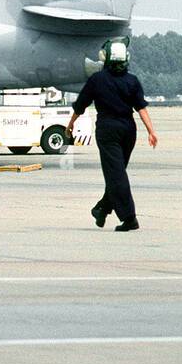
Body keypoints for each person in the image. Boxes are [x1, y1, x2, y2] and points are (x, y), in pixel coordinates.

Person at [67, 40, 158, 232]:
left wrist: (70, 125)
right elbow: (141, 108)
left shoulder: (97, 80)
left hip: (107, 130)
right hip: (128, 130)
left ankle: (129, 218)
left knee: (116, 175)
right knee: (117, 173)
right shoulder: (132, 81)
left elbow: (80, 106)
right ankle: (102, 209)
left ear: (105, 58)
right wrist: (151, 131)